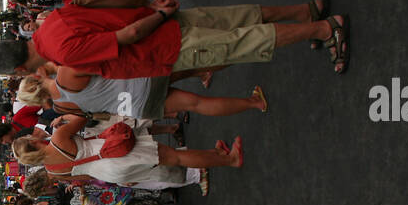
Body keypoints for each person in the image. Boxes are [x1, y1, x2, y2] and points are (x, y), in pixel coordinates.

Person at [0, 0, 350, 77]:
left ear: (20, 71)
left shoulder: (63, 53)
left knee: (244, 39)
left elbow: (126, 37)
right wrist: (155, 8)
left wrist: (156, 14)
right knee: (240, 17)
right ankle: (306, 12)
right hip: (160, 20)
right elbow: (109, 4)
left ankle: (323, 28)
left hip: (162, 45)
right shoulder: (51, 21)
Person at [11, 113, 241, 189]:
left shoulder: (54, 171)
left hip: (110, 172)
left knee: (172, 158)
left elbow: (87, 177)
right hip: (111, 151)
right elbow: (81, 118)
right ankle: (229, 160)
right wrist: (61, 118)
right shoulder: (58, 138)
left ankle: (217, 154)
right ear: (33, 141)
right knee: (176, 156)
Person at [18, 65, 265, 119]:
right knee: (196, 63)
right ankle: (248, 52)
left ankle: (254, 103)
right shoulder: (64, 75)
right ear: (35, 79)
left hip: (136, 107)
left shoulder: (63, 106)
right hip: (141, 79)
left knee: (196, 104)